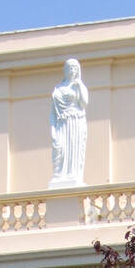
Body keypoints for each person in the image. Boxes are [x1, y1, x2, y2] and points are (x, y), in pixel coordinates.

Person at [49, 58, 88, 187]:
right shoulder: (58, 88)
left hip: (75, 121)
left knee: (73, 147)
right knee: (59, 147)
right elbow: (53, 112)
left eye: (74, 68)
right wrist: (52, 129)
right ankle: (60, 174)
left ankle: (73, 174)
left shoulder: (79, 86)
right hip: (61, 123)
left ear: (77, 71)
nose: (71, 71)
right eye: (69, 68)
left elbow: (84, 103)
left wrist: (79, 86)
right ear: (64, 70)